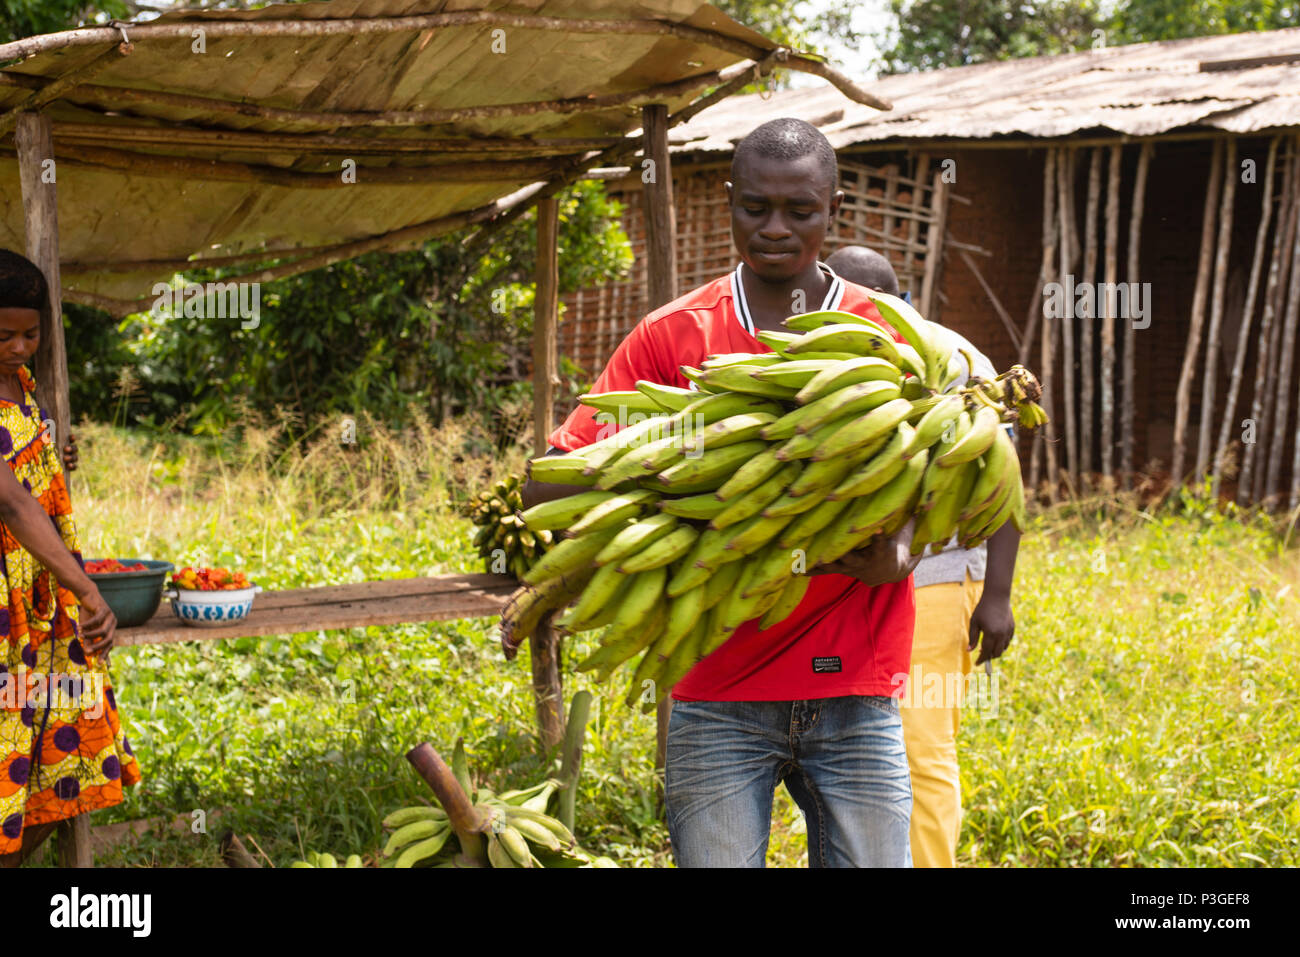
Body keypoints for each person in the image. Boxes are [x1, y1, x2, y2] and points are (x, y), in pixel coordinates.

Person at [523, 119, 920, 867]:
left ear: (832, 210)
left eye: (800, 211)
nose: (775, 229)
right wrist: (687, 457)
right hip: (716, 690)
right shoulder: (674, 338)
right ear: (730, 204)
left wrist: (899, 547)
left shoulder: (886, 338)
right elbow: (545, 479)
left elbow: (933, 485)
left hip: (855, 685)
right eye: (755, 208)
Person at [824, 245, 1021, 867]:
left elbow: (1006, 482)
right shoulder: (826, 355)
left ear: (898, 304)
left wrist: (997, 596)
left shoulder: (957, 361)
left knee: (920, 743)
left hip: (935, 577)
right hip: (847, 584)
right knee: (855, 748)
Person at [0, 248, 139, 867]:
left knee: (70, 750)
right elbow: (11, 506)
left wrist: (54, 450)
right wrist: (87, 591)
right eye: (4, 335)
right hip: (10, 607)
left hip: (43, 595)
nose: (20, 347)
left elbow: (28, 464)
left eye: (31, 334)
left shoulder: (22, 384)